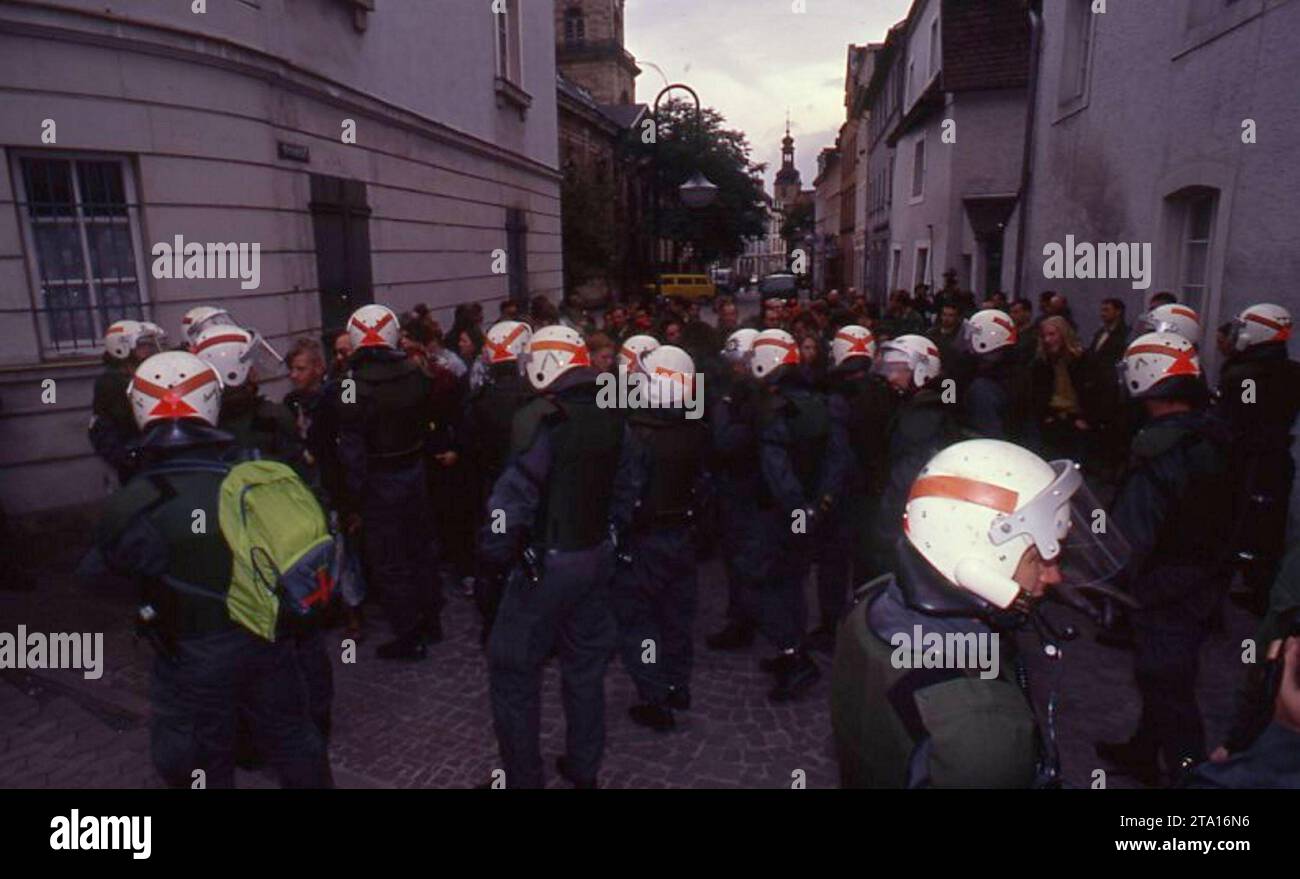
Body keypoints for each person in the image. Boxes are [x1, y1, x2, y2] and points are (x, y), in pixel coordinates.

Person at [86, 350, 332, 788]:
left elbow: (94, 578)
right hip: (265, 638)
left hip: (190, 655)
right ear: (211, 400)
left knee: (199, 758)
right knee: (293, 738)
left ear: (139, 408)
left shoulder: (135, 500)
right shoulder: (251, 477)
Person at [831, 438, 1122, 788]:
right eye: (1037, 560)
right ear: (976, 565)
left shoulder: (874, 600)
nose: (1054, 576)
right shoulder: (981, 726)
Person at [479, 326, 643, 788]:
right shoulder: (613, 412)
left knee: (512, 672)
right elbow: (630, 484)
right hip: (595, 557)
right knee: (586, 669)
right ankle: (584, 768)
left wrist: (492, 558)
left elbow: (508, 506)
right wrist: (610, 533)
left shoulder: (541, 419)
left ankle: (524, 778)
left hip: (545, 566)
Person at [1098, 331, 1234, 785]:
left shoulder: (1159, 447)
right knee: (1166, 675)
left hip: (1163, 585)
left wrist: (1105, 585)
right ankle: (1142, 750)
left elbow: (1131, 537)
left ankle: (1190, 780)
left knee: (1166, 683)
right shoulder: (1210, 430)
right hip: (1202, 577)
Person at [335, 304, 441, 660]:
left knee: (389, 561)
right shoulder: (413, 371)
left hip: (379, 480)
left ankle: (409, 635)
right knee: (420, 550)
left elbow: (351, 447)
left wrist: (353, 498)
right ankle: (431, 620)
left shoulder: (352, 385)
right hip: (414, 469)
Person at [750, 329, 850, 702]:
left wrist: (797, 510)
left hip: (783, 513)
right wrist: (819, 504)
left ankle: (795, 657)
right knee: (791, 580)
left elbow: (777, 472)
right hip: (812, 509)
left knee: (778, 584)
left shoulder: (774, 410)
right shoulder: (821, 398)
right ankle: (790, 650)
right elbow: (839, 457)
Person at [616, 345, 707, 731]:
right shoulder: (697, 427)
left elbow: (627, 494)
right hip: (682, 535)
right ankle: (677, 684)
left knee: (641, 622)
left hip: (646, 540)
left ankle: (654, 697)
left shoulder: (638, 433)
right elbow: (706, 485)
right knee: (677, 616)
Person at [1216, 304, 1300, 615]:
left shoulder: (1245, 375)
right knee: (1270, 526)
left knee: (1234, 524)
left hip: (1247, 461)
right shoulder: (1292, 370)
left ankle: (1226, 592)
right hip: (1277, 460)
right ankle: (1261, 588)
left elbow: (1242, 416)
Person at [812, 325, 893, 649]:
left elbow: (837, 452)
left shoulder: (835, 398)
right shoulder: (884, 391)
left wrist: (824, 497)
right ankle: (866, 627)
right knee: (867, 565)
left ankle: (831, 629)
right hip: (874, 493)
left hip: (844, 493)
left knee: (832, 565)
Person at [463, 319, 534, 643]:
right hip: (530, 488)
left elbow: (470, 449)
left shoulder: (481, 400)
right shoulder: (534, 397)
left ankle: (493, 624)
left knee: (494, 558)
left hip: (493, 487)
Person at [873, 334, 958, 573]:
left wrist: (886, 531)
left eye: (899, 370)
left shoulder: (920, 417)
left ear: (921, 370)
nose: (891, 377)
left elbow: (905, 478)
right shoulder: (931, 406)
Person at [706, 329, 766, 651]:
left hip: (743, 489)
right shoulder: (750, 392)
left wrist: (722, 407)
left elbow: (726, 441)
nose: (733, 369)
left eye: (738, 363)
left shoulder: (748, 398)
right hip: (742, 488)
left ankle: (743, 621)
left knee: (742, 559)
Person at [193, 325, 302, 468]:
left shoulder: (201, 425)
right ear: (233, 372)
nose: (255, 372)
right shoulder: (272, 418)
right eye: (251, 366)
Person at [89, 319, 162, 483]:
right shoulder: (112, 383)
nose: (149, 350)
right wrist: (131, 460)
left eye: (149, 345)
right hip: (135, 463)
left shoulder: (140, 375)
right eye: (142, 345)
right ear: (122, 347)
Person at [1080, 298, 1131, 475]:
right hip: (1094, 389)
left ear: (1118, 312)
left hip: (1109, 390)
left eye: (1107, 310)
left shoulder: (1124, 335)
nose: (1103, 314)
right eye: (1102, 310)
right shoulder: (1100, 332)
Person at [1026, 316, 1088, 460]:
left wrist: (1086, 419)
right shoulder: (1040, 364)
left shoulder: (1082, 360)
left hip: (1077, 420)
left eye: (1052, 334)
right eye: (1044, 336)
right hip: (1052, 419)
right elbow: (1036, 395)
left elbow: (1093, 393)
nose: (1047, 340)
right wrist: (1047, 416)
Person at [962, 309, 1021, 440]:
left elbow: (991, 434)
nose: (968, 339)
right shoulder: (1015, 369)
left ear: (986, 339)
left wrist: (944, 391)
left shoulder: (983, 387)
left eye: (973, 334)